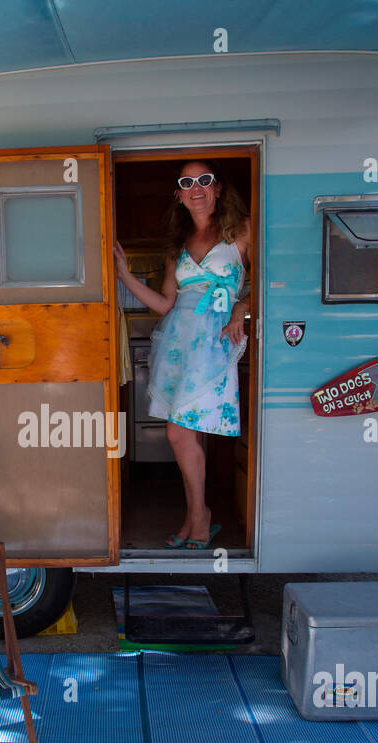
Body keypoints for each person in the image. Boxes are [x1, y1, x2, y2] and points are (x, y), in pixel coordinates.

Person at [113, 160, 252, 549]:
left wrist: (241, 308)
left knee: (178, 432)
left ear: (218, 188)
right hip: (179, 342)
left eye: (204, 180)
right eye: (187, 182)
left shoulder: (243, 231)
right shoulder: (178, 248)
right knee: (181, 434)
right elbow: (164, 304)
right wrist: (124, 275)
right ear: (179, 194)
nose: (197, 187)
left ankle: (199, 516)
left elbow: (274, 279)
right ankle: (198, 516)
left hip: (215, 341)